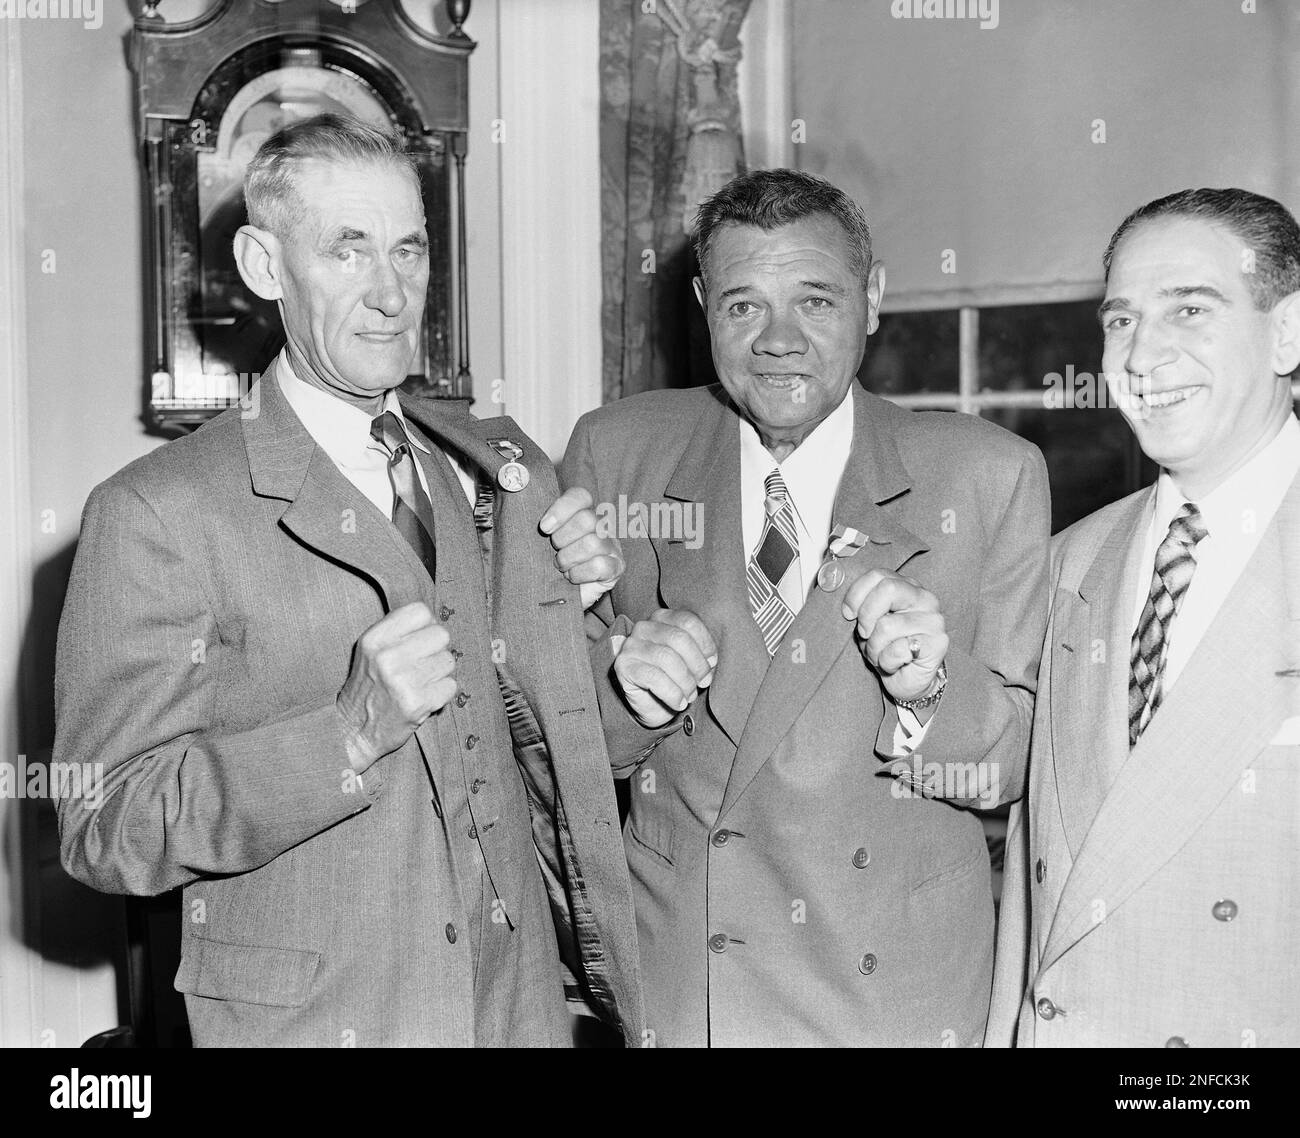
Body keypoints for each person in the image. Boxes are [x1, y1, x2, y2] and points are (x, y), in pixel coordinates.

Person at [54, 114, 642, 1047]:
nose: (391, 293)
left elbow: (559, 757)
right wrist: (346, 734)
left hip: (519, 1015)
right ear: (261, 265)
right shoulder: (158, 511)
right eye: (347, 251)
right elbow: (103, 827)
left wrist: (614, 658)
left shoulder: (499, 463)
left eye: (409, 249)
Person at [562, 168, 1051, 1046]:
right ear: (704, 306)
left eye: (815, 300)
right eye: (743, 305)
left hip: (891, 990)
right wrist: (620, 689)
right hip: (690, 981)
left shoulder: (987, 473)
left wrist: (932, 691)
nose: (777, 340)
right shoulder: (617, 450)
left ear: (872, 300)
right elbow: (552, 742)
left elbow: (1018, 767)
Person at [987, 187, 1300, 1047]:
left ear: (1288, 332)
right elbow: (1032, 874)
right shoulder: (1071, 561)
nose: (1144, 354)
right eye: (1121, 321)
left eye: (1189, 310)